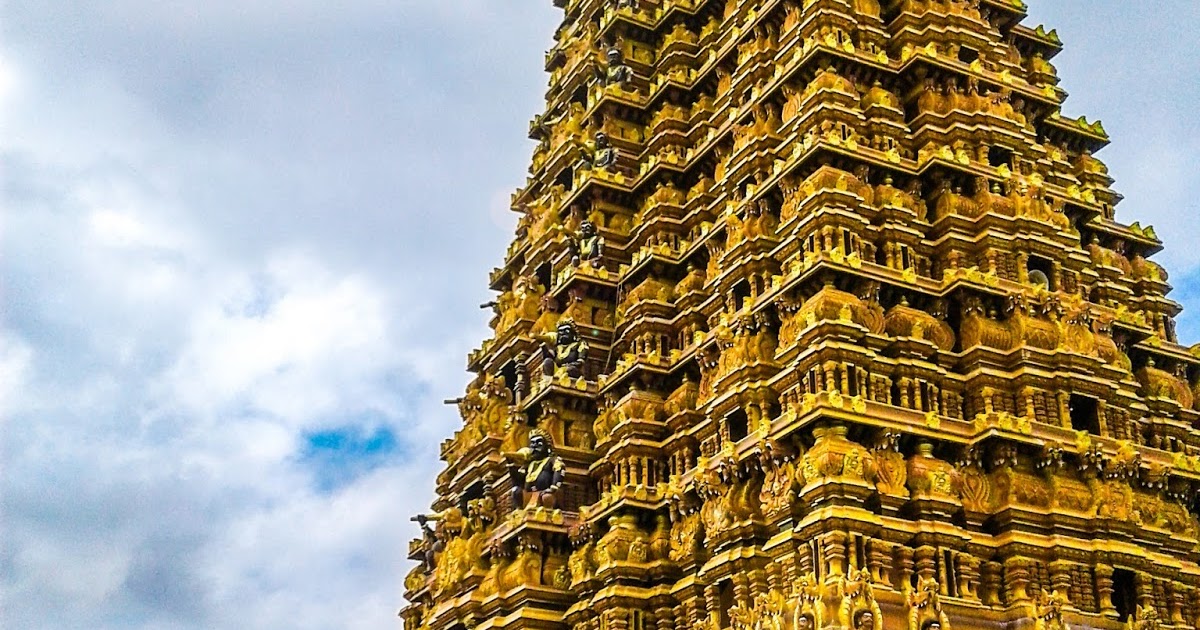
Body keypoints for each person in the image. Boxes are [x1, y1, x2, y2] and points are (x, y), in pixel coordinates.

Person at [504, 429, 565, 509]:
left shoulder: (552, 461)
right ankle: (518, 511)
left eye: (539, 443)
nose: (535, 446)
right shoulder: (529, 465)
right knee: (516, 490)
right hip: (528, 494)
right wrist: (511, 465)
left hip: (545, 493)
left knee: (547, 497)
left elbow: (559, 472)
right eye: (532, 443)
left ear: (547, 446)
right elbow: (518, 481)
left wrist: (553, 487)